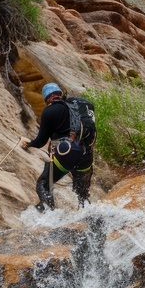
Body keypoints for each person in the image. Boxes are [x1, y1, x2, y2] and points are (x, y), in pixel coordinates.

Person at [20, 82, 97, 211]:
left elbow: (40, 141)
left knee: (43, 184)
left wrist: (28, 143)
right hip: (86, 154)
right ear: (60, 94)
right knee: (81, 193)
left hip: (67, 153)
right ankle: (86, 215)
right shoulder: (77, 107)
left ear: (47, 98)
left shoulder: (50, 111)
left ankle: (48, 214)